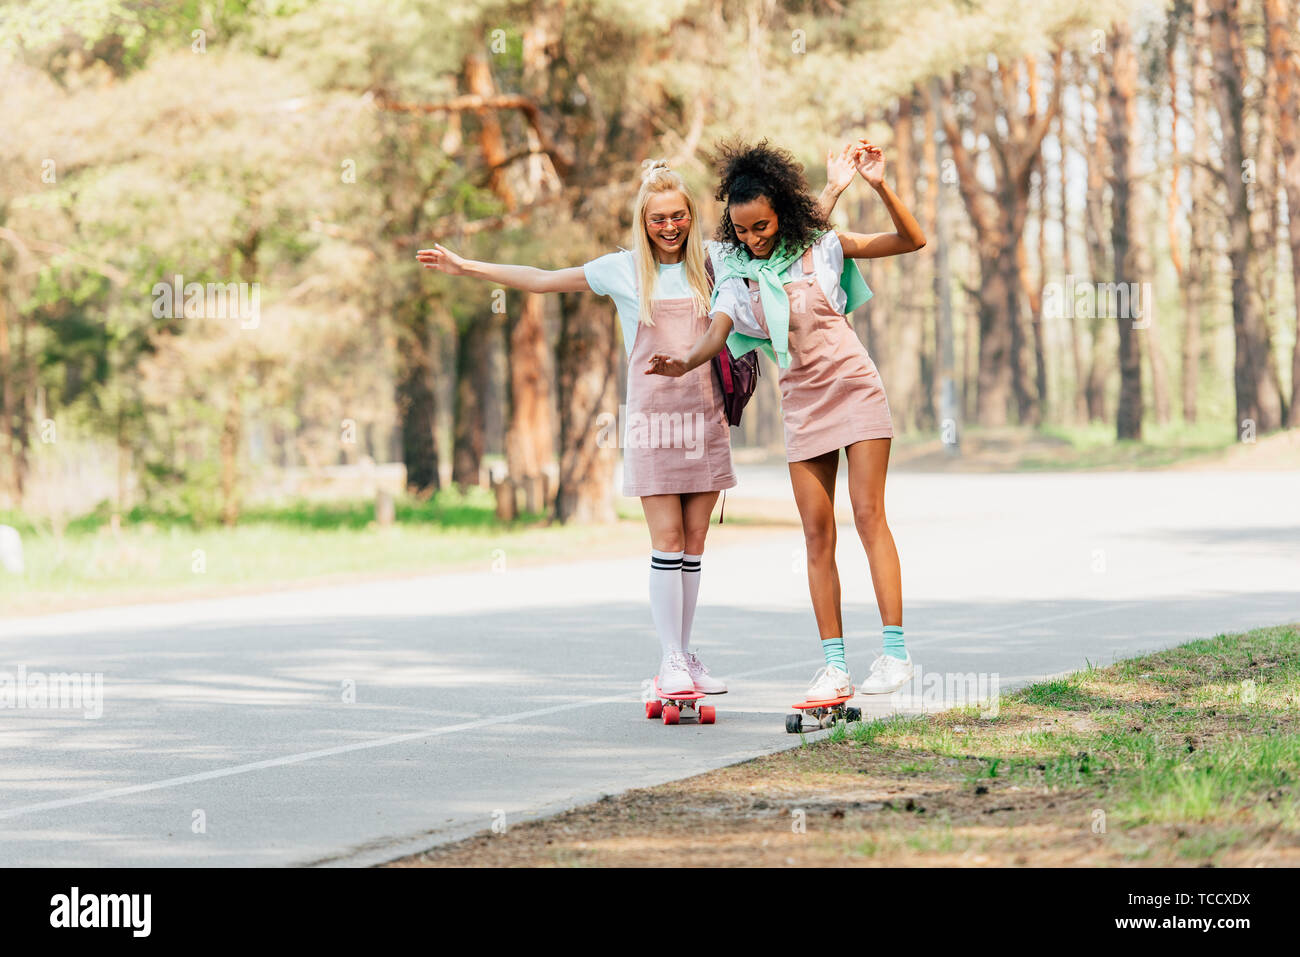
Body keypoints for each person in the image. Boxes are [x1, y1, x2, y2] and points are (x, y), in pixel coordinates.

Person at [418, 152, 857, 696]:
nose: (669, 227)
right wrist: (467, 268)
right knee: (667, 540)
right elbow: (539, 279)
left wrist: (833, 189)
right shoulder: (622, 269)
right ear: (643, 222)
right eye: (658, 218)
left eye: (678, 216)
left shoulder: (716, 259)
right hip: (653, 421)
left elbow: (782, 232)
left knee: (695, 543)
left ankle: (686, 655)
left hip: (705, 417)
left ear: (691, 217)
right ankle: (668, 658)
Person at [646, 139, 926, 701]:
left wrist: (874, 184)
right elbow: (719, 329)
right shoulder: (732, 268)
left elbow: (910, 239)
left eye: (762, 226)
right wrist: (685, 361)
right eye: (742, 229)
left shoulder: (824, 246)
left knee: (869, 515)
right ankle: (835, 665)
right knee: (816, 535)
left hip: (855, 388)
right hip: (801, 401)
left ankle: (895, 654)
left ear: (782, 213)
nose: (753, 238)